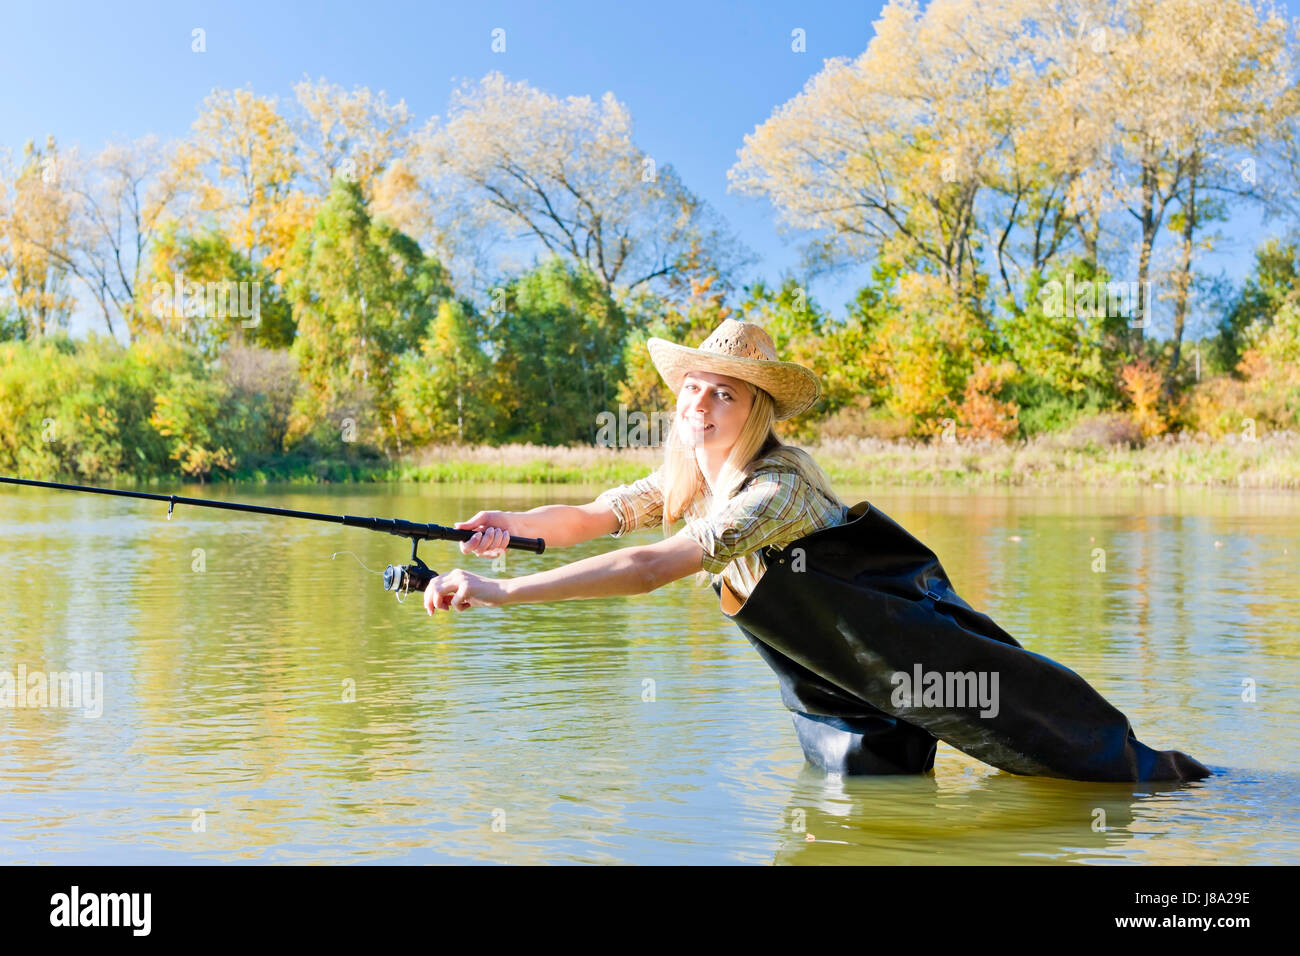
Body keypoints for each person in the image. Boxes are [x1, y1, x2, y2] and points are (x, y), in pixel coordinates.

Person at [424, 319, 1212, 784]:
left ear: (755, 410)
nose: (702, 401)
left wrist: (505, 595)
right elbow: (594, 517)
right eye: (695, 385)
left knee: (1122, 771)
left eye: (725, 392)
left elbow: (650, 568)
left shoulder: (778, 488)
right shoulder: (687, 479)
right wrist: (508, 523)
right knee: (854, 814)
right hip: (837, 692)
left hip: (923, 657)